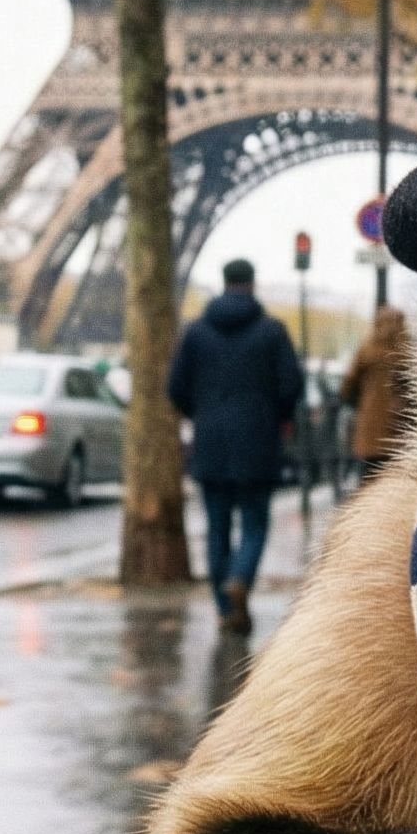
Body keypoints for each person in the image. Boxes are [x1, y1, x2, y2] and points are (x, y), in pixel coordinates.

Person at [167, 258, 303, 634]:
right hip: (258, 441)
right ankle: (241, 577)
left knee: (217, 527)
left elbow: (175, 387)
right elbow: (291, 384)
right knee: (256, 523)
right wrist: (278, 414)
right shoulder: (272, 331)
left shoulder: (195, 332)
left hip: (210, 441)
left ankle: (226, 609)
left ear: (223, 282)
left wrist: (202, 413)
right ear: (252, 283)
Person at [341, 304, 411, 483]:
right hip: (398, 427)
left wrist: (359, 401)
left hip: (370, 428)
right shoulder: (407, 352)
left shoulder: (367, 349)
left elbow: (348, 385)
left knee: (368, 481)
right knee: (395, 483)